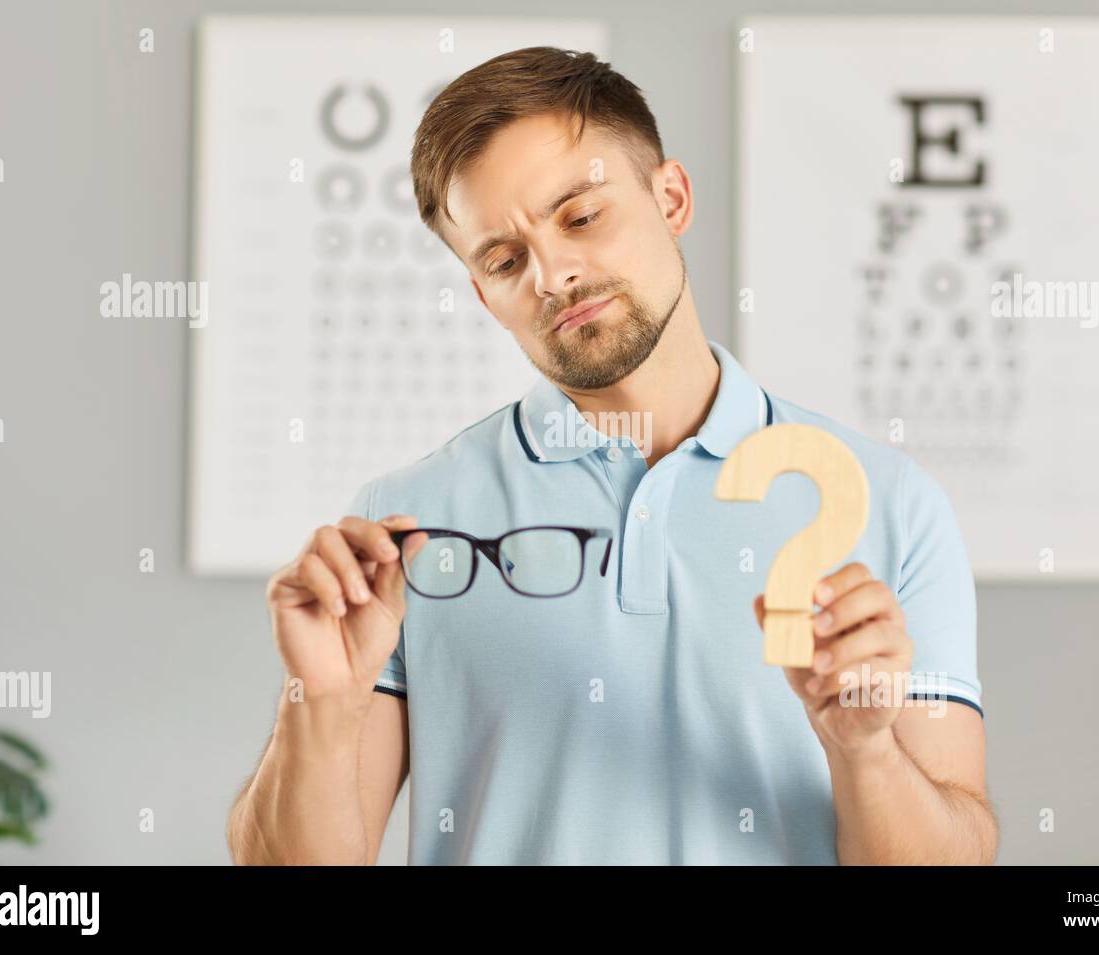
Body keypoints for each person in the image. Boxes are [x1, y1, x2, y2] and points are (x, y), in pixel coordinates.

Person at [227, 47, 996, 865]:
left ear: (671, 197)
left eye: (582, 215)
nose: (553, 272)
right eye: (505, 259)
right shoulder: (409, 527)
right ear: (486, 297)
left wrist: (865, 748)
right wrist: (320, 705)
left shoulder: (890, 501)